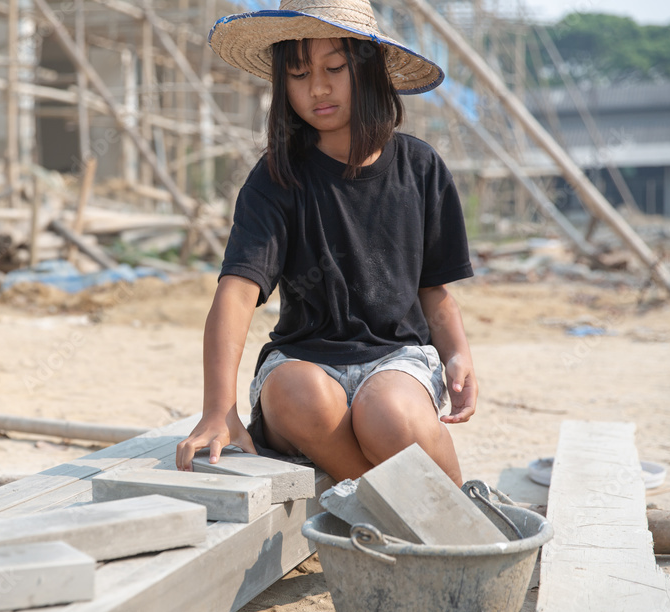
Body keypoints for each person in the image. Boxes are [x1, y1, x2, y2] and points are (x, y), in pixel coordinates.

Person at [175, 0, 476, 486]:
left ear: (370, 68)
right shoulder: (277, 177)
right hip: (304, 363)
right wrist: (218, 409)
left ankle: (463, 526)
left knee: (390, 414)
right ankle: (378, 503)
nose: (317, 87)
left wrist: (458, 354)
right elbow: (236, 291)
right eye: (297, 74)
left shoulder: (421, 168)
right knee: (299, 393)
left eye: (334, 67)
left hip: (398, 361)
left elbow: (434, 291)